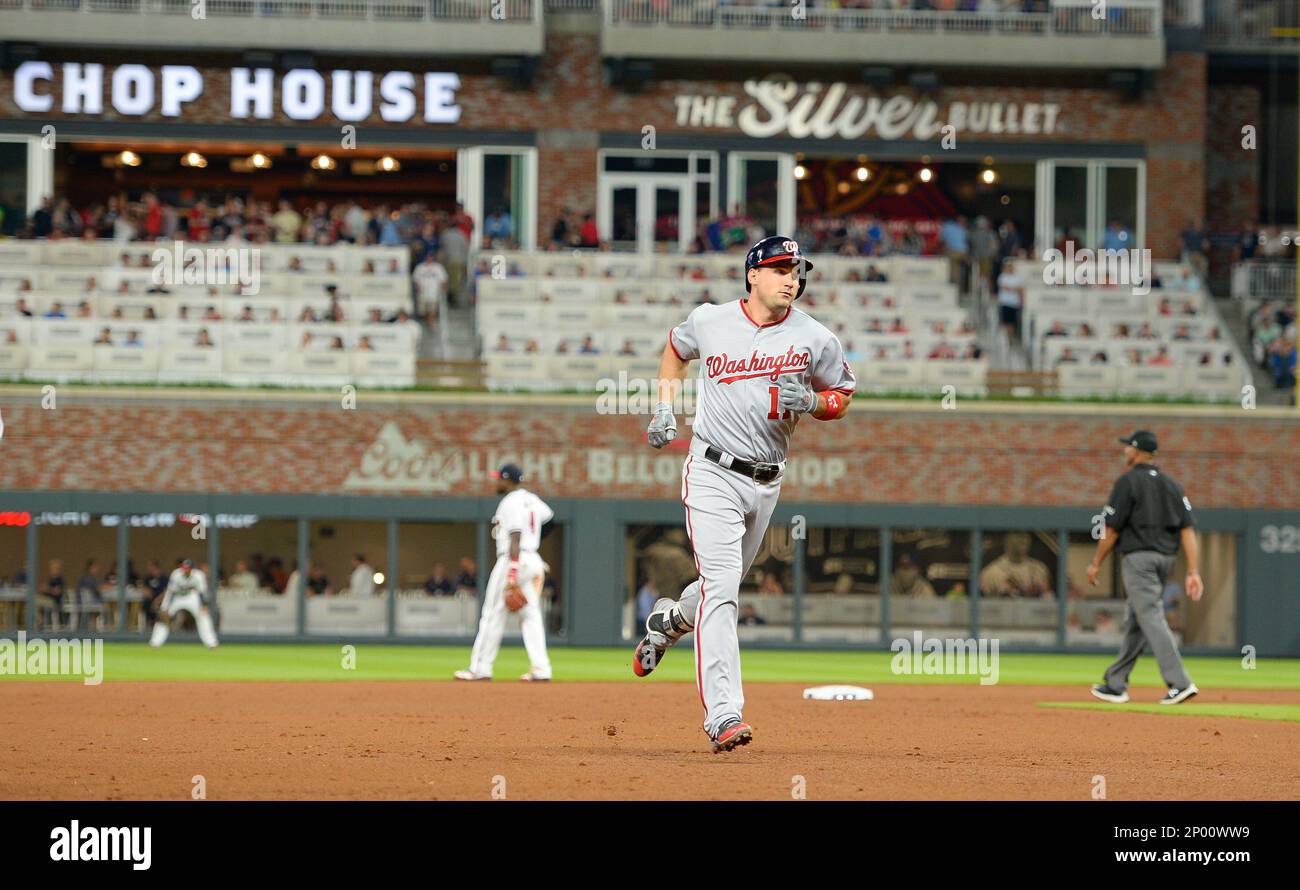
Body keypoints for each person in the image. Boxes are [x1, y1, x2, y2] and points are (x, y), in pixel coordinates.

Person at [633, 236, 856, 754]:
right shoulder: (711, 319)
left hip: (767, 481)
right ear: (753, 274)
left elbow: (843, 395)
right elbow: (675, 349)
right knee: (724, 590)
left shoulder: (815, 338)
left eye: (797, 270)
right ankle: (724, 714)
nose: (791, 278)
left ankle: (669, 621)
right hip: (711, 470)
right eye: (780, 268)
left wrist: (818, 403)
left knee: (720, 585)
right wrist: (664, 405)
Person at [1087, 430, 1201, 705]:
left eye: (1128, 447)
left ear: (1137, 451)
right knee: (1136, 619)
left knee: (1149, 615)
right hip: (1165, 560)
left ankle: (1180, 682)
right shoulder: (1172, 485)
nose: (1125, 450)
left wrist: (1095, 563)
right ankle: (1116, 683)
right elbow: (1187, 530)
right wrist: (1193, 570)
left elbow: (1111, 530)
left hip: (1139, 559)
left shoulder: (1128, 483)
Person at [455, 464, 555, 682]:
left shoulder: (509, 502)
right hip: (533, 559)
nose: (497, 481)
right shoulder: (531, 499)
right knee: (530, 616)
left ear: (508, 480)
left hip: (513, 558)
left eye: (500, 478)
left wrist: (512, 571)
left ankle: (480, 668)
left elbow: (516, 535)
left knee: (492, 614)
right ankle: (542, 669)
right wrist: (533, 540)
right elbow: (549, 521)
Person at [149, 559, 219, 649]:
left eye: (188, 569)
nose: (185, 570)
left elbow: (202, 592)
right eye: (184, 568)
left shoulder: (198, 575)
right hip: (177, 597)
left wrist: (204, 606)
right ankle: (155, 643)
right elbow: (171, 592)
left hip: (192, 597)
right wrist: (166, 607)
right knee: (163, 617)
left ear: (192, 569)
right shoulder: (176, 574)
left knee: (203, 616)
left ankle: (212, 643)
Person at [979, 531, 1051, 597]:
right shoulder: (990, 572)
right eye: (1018, 535)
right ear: (1007, 540)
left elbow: (1047, 602)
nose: (1024, 540)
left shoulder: (1040, 568)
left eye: (1026, 536)